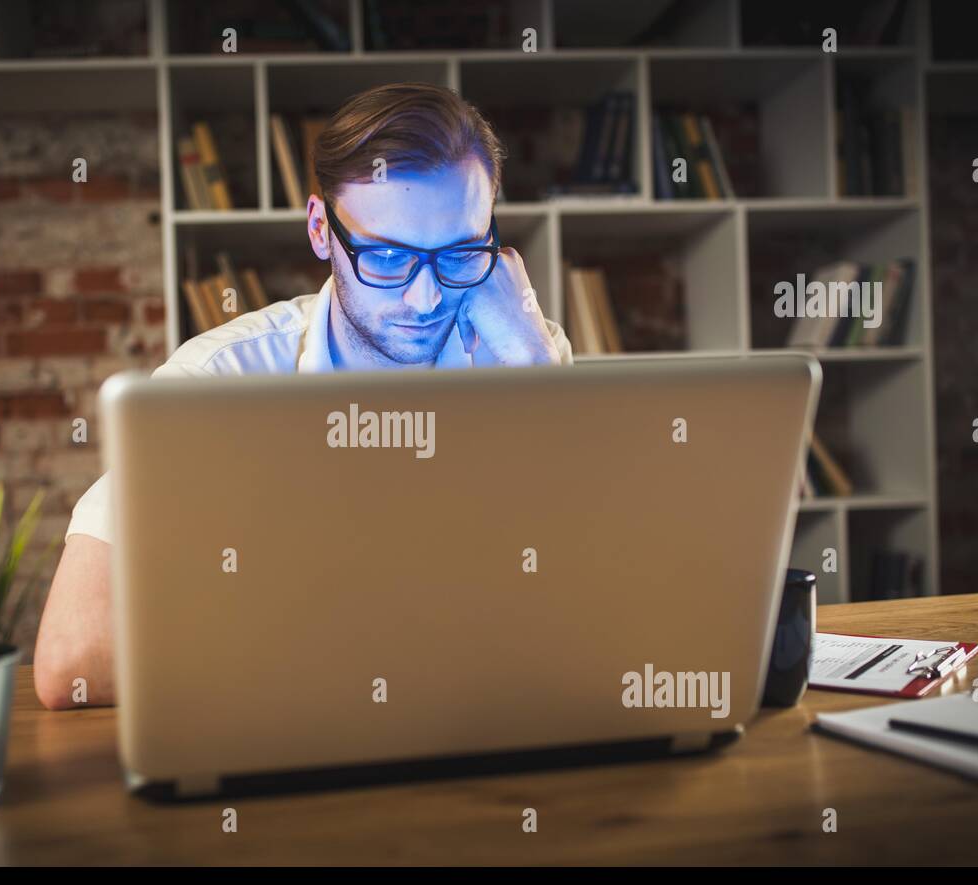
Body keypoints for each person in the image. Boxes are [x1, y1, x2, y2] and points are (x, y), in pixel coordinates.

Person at [33, 82, 573, 709]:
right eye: (388, 256)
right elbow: (75, 657)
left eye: (459, 253)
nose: (426, 298)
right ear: (321, 229)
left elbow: (595, 604)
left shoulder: (525, 357)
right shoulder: (219, 382)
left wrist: (537, 372)